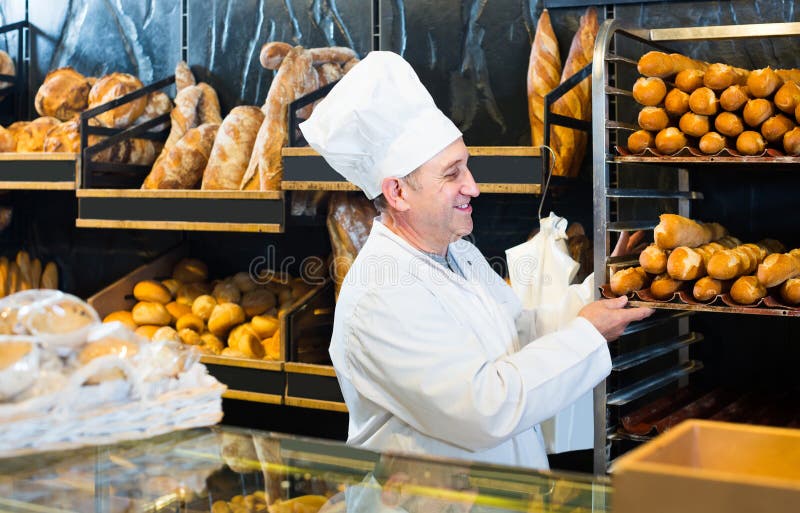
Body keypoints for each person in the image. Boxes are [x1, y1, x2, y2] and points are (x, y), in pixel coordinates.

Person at [299, 51, 653, 470]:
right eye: (452, 174)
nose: (474, 187)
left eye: (466, 167)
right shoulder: (382, 294)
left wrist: (599, 291)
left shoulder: (455, 253)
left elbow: (518, 333)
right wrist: (589, 334)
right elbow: (485, 410)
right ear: (397, 192)